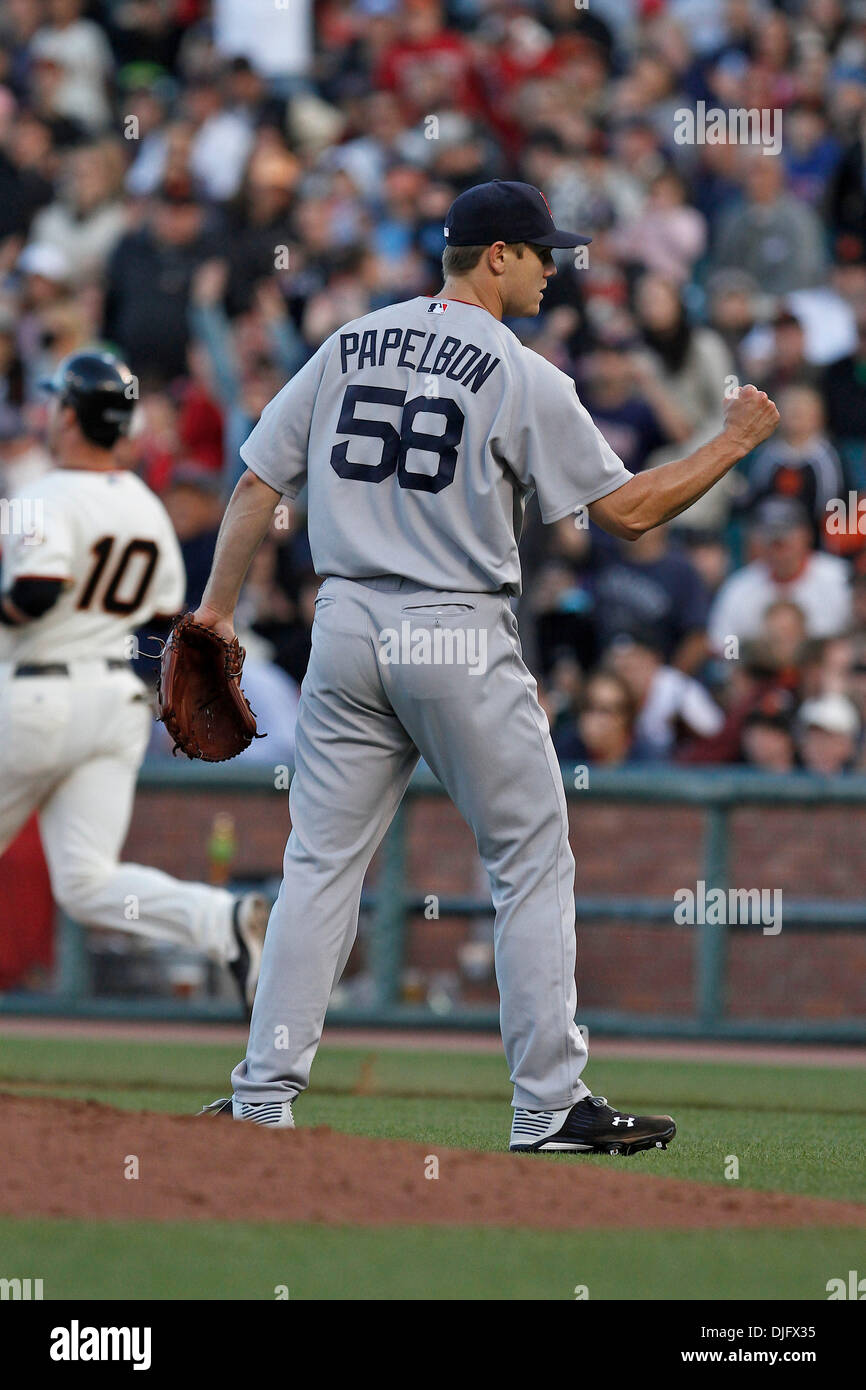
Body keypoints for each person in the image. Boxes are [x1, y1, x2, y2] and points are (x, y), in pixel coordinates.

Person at [196, 180, 778, 1152]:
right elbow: (627, 512)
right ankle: (549, 1103)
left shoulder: (348, 341)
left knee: (318, 870)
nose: (555, 266)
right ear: (493, 256)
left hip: (343, 621)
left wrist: (215, 612)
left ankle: (261, 1098)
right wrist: (729, 442)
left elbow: (257, 480)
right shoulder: (520, 371)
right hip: (451, 625)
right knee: (529, 856)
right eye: (540, 250)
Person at [0, 352, 267, 1013]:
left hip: (37, 695)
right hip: (114, 706)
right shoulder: (146, 507)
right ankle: (218, 921)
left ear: (67, 416)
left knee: (86, 880)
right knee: (88, 881)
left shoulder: (42, 493)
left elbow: (35, 588)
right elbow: (159, 623)